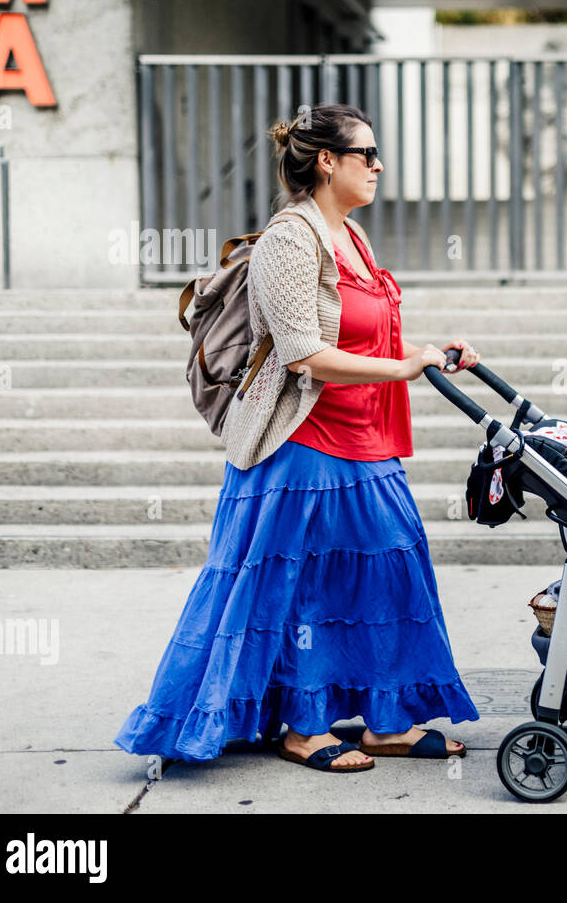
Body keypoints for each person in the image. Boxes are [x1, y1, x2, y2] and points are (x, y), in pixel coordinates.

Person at [115, 103, 480, 773]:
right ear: (326, 162)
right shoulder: (292, 238)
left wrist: (431, 348)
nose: (376, 166)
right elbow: (302, 353)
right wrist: (405, 365)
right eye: (364, 154)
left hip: (367, 438)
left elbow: (369, 327)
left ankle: (387, 720)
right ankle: (304, 728)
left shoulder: (353, 236)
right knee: (303, 588)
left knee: (392, 576)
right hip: (303, 444)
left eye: (375, 154)